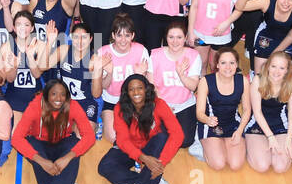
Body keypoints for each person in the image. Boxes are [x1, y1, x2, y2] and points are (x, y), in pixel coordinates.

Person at [13, 79, 97, 184]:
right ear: (46, 95)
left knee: (75, 145)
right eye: (53, 94)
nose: (58, 99)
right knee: (31, 146)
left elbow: (89, 136)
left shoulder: (72, 106)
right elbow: (16, 138)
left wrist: (69, 156)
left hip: (62, 142)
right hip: (40, 144)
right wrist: (41, 161)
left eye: (62, 94)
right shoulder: (35, 106)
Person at [97, 74, 184, 184]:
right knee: (104, 168)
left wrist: (161, 164)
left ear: (146, 90)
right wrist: (142, 158)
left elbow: (178, 134)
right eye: (131, 89)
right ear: (126, 92)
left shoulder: (159, 104)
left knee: (162, 137)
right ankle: (152, 182)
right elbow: (122, 141)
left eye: (140, 88)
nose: (136, 92)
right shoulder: (120, 108)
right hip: (130, 149)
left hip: (151, 146)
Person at [93, 13, 150, 142]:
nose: (123, 40)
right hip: (111, 100)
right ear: (113, 36)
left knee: (139, 134)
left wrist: (141, 75)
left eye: (127, 35)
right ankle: (103, 118)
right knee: (113, 137)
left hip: (133, 100)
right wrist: (110, 73)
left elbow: (147, 86)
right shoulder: (103, 52)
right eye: (119, 35)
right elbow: (103, 87)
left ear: (133, 36)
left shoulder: (141, 50)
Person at [147, 18, 202, 149]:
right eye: (171, 37)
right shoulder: (156, 55)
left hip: (184, 104)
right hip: (161, 102)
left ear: (185, 38)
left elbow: (193, 86)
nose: (175, 41)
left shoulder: (193, 55)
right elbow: (151, 85)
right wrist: (162, 106)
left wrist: (181, 75)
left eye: (179, 37)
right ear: (166, 38)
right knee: (160, 138)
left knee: (185, 141)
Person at [246, 51, 292, 174]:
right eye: (274, 66)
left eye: (282, 68)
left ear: (287, 70)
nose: (277, 71)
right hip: (258, 124)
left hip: (281, 125)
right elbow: (257, 112)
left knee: (280, 167)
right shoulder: (257, 80)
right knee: (262, 166)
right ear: (268, 66)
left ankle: (265, 147)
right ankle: (251, 146)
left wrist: (289, 138)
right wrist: (270, 137)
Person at [195, 48, 249, 171]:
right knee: (218, 164)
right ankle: (200, 144)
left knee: (235, 165)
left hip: (232, 122)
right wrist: (207, 119)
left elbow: (246, 110)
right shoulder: (206, 81)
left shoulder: (243, 81)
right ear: (217, 65)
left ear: (236, 65)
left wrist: (240, 130)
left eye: (232, 63)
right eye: (223, 63)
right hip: (210, 124)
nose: (228, 67)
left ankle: (220, 145)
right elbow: (199, 113)